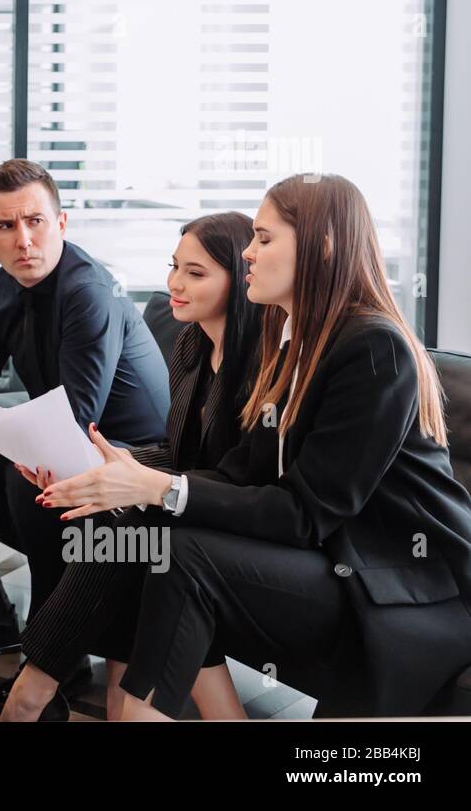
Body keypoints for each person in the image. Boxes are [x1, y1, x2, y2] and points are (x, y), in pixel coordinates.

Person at [24, 174, 471, 719]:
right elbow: (239, 474)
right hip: (331, 560)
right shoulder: (291, 344)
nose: (250, 254)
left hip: (403, 586)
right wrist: (118, 478)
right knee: (159, 532)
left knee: (181, 549)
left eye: (263, 238)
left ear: (322, 245)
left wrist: (159, 487)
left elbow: (306, 514)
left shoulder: (374, 349)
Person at [2, 212, 262, 720]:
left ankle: (31, 692)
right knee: (99, 503)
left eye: (195, 273)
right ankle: (85, 691)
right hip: (193, 492)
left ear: (239, 277)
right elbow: (179, 451)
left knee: (133, 519)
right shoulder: (193, 344)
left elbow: (242, 475)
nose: (174, 285)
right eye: (174, 267)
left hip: (243, 513)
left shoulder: (262, 362)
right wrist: (106, 466)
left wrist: (136, 479)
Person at [0, 159, 170, 628]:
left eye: (35, 221)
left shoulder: (89, 293)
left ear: (60, 223)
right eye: (5, 226)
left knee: (25, 476)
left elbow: (77, 422)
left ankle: (54, 647)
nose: (23, 240)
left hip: (133, 457)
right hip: (67, 438)